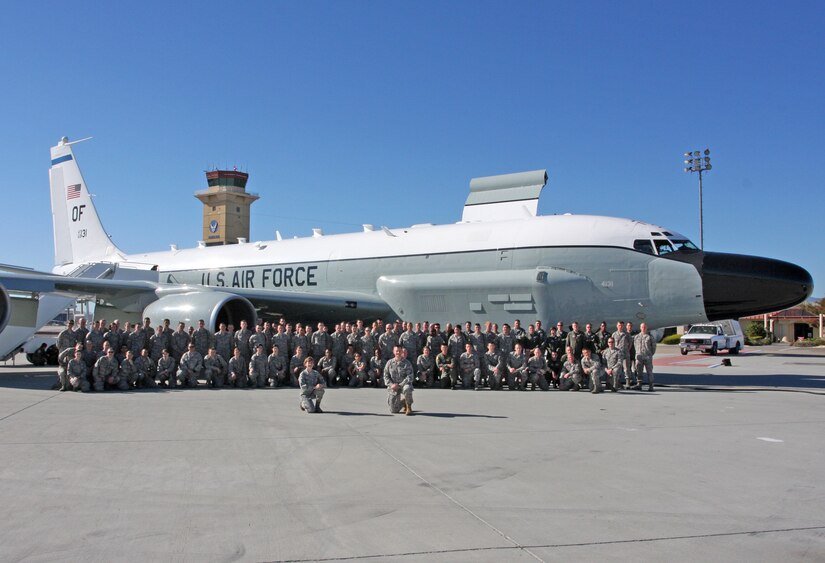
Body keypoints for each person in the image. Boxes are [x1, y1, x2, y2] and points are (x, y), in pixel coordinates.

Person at [384, 345, 414, 415]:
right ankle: (404, 402)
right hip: (393, 387)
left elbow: (410, 376)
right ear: (393, 352)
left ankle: (408, 406)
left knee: (407, 388)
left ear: (402, 352)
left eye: (399, 351)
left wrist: (400, 385)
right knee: (394, 410)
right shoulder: (389, 363)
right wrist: (391, 385)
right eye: (396, 351)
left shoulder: (407, 363)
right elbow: (386, 376)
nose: (398, 352)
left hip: (403, 385)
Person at [634, 323, 657, 392]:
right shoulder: (637, 337)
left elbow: (654, 347)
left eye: (644, 327)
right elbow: (635, 346)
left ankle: (651, 386)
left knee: (649, 372)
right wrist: (638, 353)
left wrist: (650, 354)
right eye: (642, 327)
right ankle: (639, 384)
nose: (643, 328)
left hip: (647, 357)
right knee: (639, 371)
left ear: (646, 328)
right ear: (640, 328)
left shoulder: (650, 337)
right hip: (639, 357)